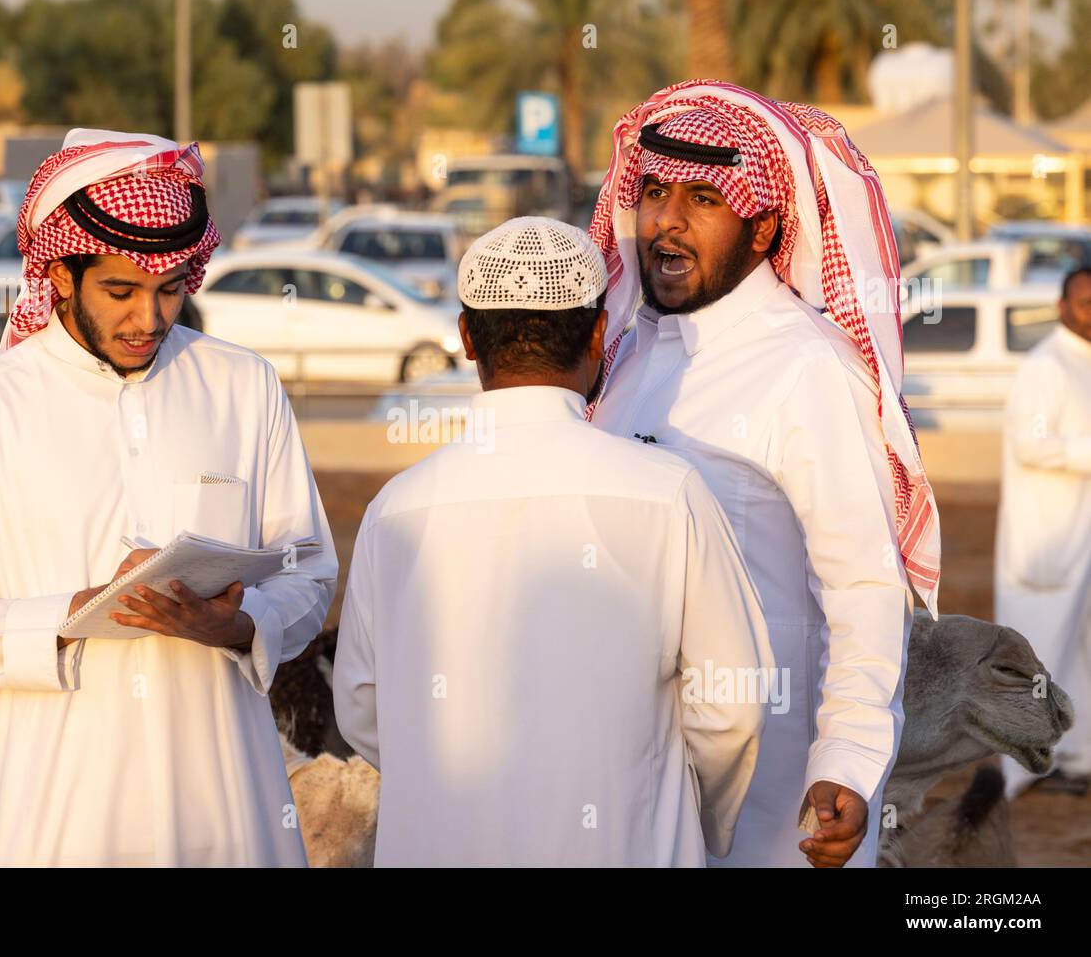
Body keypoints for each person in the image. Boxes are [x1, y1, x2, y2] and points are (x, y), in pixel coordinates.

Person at [0, 129, 338, 866]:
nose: (150, 318)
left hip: (226, 814)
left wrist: (235, 624)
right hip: (53, 819)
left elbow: (310, 572)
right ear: (62, 275)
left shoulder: (242, 385)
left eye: (169, 290)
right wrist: (78, 612)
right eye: (121, 291)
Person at [332, 216, 773, 866]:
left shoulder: (395, 510)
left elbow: (363, 707)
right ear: (598, 331)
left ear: (465, 338)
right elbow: (732, 706)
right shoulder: (667, 493)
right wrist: (691, 822)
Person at [585, 80, 941, 868]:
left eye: (704, 196)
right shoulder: (628, 355)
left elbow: (862, 587)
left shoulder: (807, 366)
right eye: (652, 191)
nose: (666, 221)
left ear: (764, 224)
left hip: (773, 784)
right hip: (627, 765)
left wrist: (845, 757)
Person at [996, 265, 1091, 797]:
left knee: (1080, 650)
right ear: (1061, 306)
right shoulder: (1044, 367)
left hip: (1083, 538)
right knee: (1037, 658)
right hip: (1047, 540)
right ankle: (1018, 770)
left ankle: (1071, 755)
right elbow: (1034, 445)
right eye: (1085, 302)